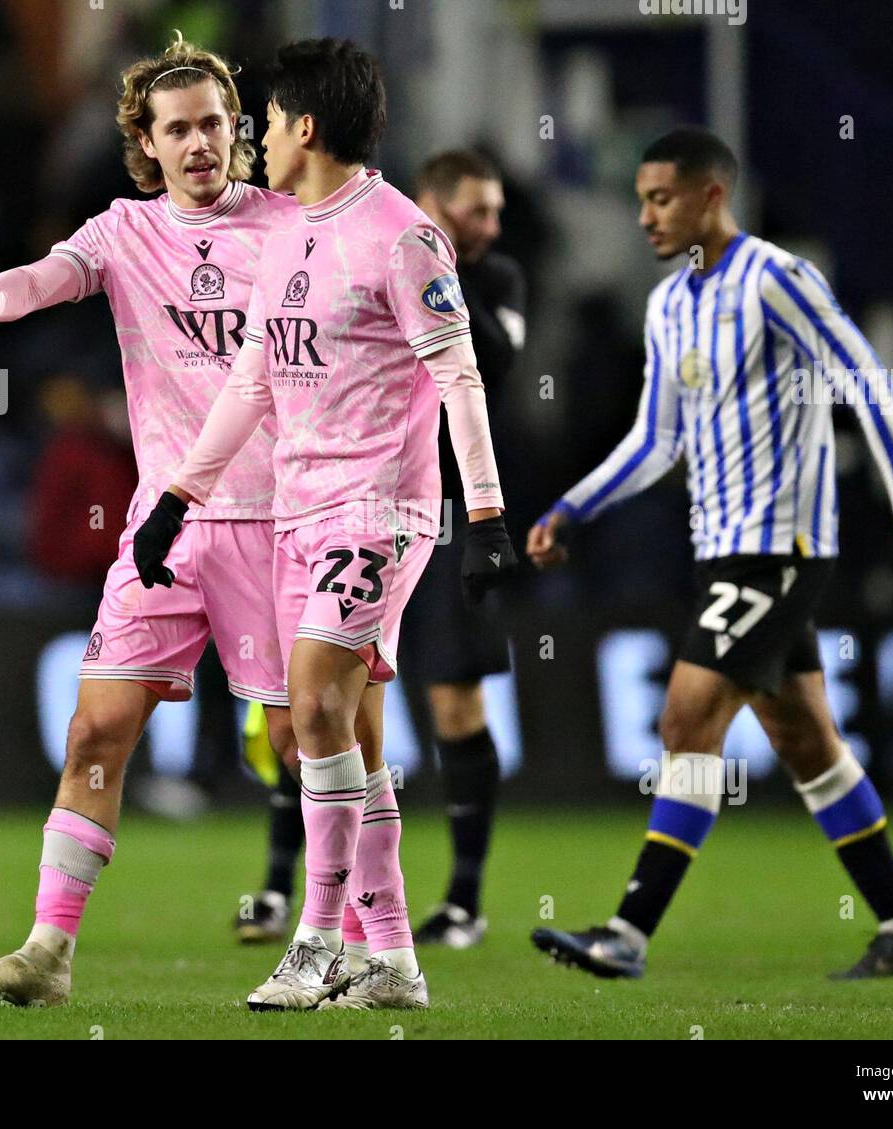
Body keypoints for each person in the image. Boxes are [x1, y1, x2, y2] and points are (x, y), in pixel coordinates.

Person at [528, 127, 893, 981]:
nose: (646, 217)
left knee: (685, 716)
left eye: (662, 199)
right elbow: (657, 439)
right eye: (641, 200)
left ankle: (627, 933)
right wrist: (576, 504)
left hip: (781, 548)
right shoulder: (668, 304)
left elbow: (868, 384)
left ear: (711, 195)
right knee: (806, 740)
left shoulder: (776, 279)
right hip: (719, 552)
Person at [0, 33, 302, 1006]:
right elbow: (51, 273)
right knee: (96, 730)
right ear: (146, 142)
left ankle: (355, 939)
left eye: (213, 123)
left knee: (307, 742)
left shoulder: (292, 226)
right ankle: (48, 953)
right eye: (178, 129)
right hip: (163, 527)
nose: (199, 143)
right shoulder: (125, 231)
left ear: (238, 128)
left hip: (278, 521)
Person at [140, 39, 517, 1010]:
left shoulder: (402, 236)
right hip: (296, 512)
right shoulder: (285, 236)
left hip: (379, 509)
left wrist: (483, 514)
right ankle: (393, 961)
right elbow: (252, 381)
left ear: (305, 128)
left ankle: (314, 943)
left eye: (264, 122)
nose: (255, 140)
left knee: (311, 707)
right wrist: (179, 497)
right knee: (340, 733)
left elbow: (459, 375)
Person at [401, 150, 525, 948]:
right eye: (475, 210)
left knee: (454, 700)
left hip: (457, 514)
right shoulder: (377, 266)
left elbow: (498, 361)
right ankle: (316, 900)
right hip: (375, 504)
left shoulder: (500, 279)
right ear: (432, 203)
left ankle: (464, 899)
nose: (492, 226)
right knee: (330, 701)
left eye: (495, 210)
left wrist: (436, 261)